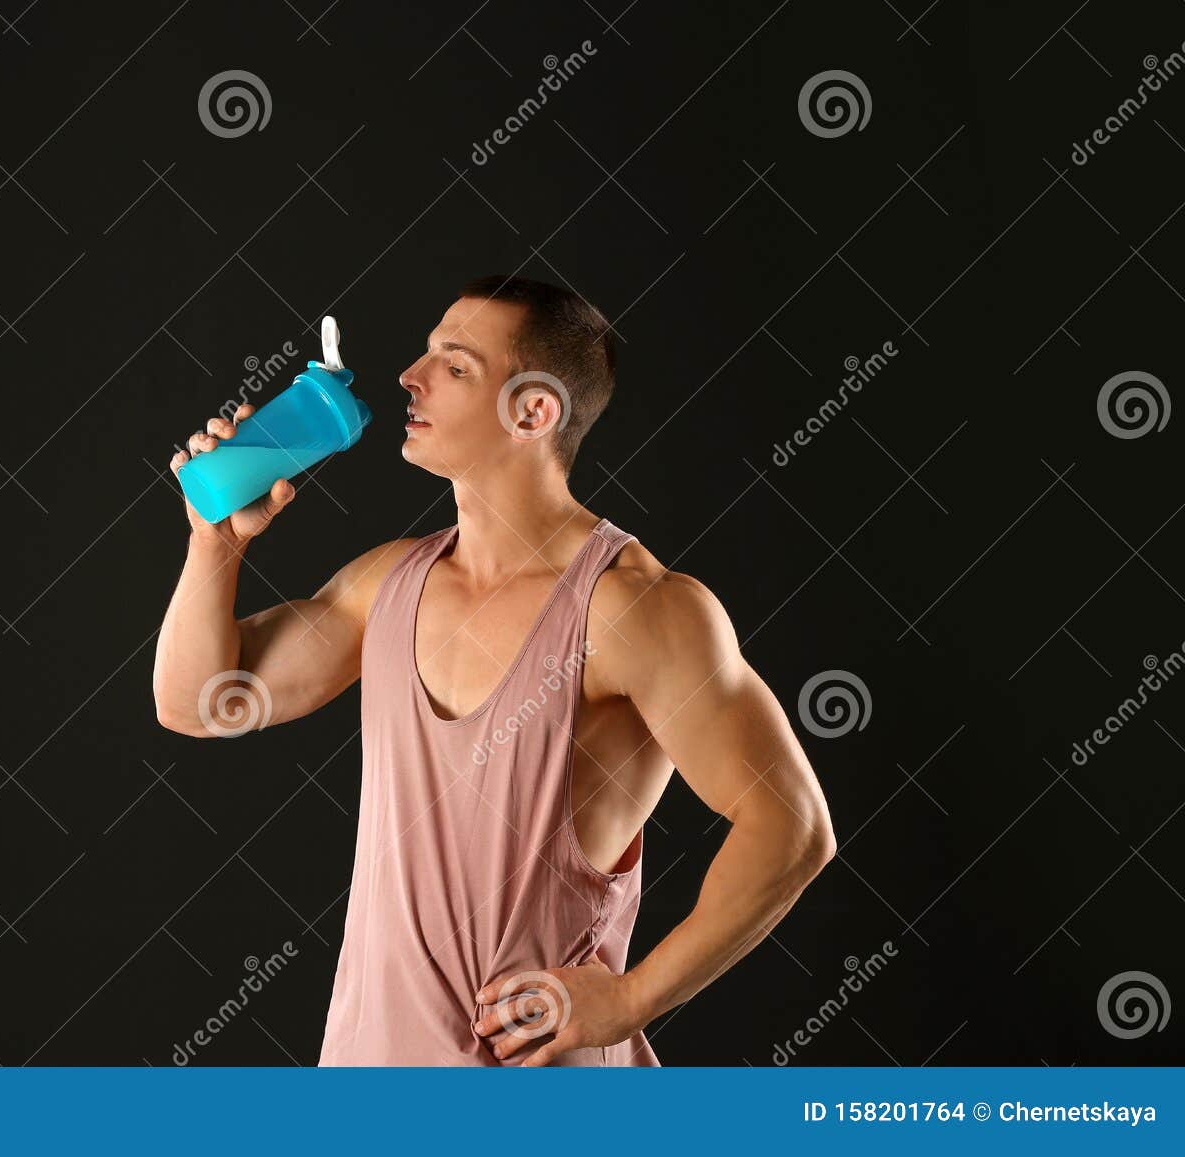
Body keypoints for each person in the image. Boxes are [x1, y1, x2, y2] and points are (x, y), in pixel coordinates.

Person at [153, 275, 836, 1066]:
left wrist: (632, 998)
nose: (410, 375)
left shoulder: (636, 610)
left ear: (534, 410)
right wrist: (215, 544)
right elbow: (195, 702)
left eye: (455, 363)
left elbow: (792, 828)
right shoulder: (388, 583)